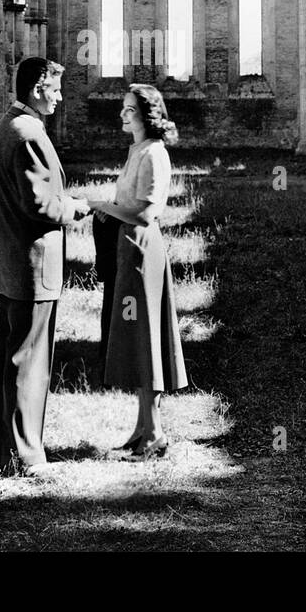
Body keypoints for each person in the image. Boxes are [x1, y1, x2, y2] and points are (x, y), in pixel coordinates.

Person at [0, 57, 90, 476]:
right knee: (29, 364)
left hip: (12, 264)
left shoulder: (4, 127)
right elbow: (40, 204)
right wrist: (77, 207)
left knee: (7, 361)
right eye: (56, 90)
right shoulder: (28, 133)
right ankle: (25, 457)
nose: (61, 99)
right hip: (32, 265)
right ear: (37, 89)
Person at [91, 84, 189, 459]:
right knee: (135, 338)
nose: (122, 114)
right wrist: (112, 209)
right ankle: (142, 428)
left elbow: (146, 212)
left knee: (146, 339)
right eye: (122, 108)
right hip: (127, 248)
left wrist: (105, 205)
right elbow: (129, 203)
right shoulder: (137, 151)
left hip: (142, 252)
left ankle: (154, 435)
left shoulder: (153, 154)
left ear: (147, 115)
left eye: (129, 109)